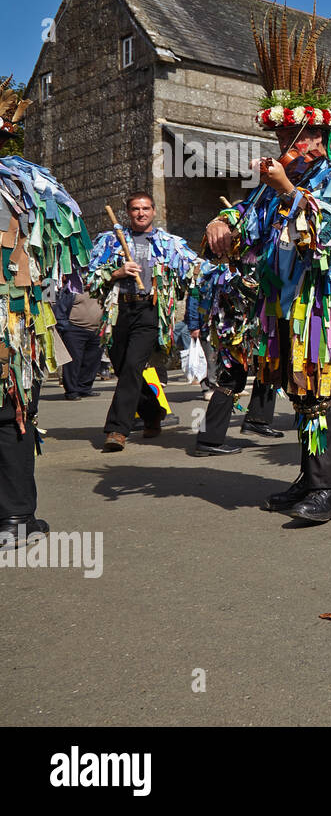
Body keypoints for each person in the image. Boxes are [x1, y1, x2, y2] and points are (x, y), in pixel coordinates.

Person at [205, 6, 331, 524]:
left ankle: (330, 490)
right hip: (285, 303)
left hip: (325, 307)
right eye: (281, 142)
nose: (286, 150)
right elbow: (249, 225)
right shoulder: (273, 185)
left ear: (318, 140)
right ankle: (308, 477)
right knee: (301, 393)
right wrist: (222, 224)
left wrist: (289, 191)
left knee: (321, 389)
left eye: (294, 141)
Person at [0, 80, 93, 546]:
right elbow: (72, 248)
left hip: (16, 320)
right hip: (12, 324)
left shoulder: (23, 185)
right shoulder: (28, 185)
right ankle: (15, 517)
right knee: (13, 410)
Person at [88, 191, 200, 452]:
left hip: (149, 311)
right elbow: (90, 276)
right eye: (136, 209)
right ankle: (153, 413)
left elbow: (194, 267)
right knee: (123, 368)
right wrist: (117, 272)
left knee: (132, 368)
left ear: (153, 212)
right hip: (119, 310)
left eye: (146, 208)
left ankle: (117, 430)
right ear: (129, 212)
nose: (141, 213)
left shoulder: (168, 243)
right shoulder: (110, 241)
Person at [188, 258, 281, 457]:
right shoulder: (236, 259)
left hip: (246, 319)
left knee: (262, 367)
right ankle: (209, 439)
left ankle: (256, 419)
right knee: (231, 380)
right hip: (237, 320)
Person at [54, 289, 103, 401]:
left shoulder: (102, 286)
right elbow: (61, 308)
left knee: (92, 361)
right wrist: (65, 327)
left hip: (97, 329)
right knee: (73, 362)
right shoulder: (73, 288)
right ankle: (71, 391)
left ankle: (84, 388)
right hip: (74, 329)